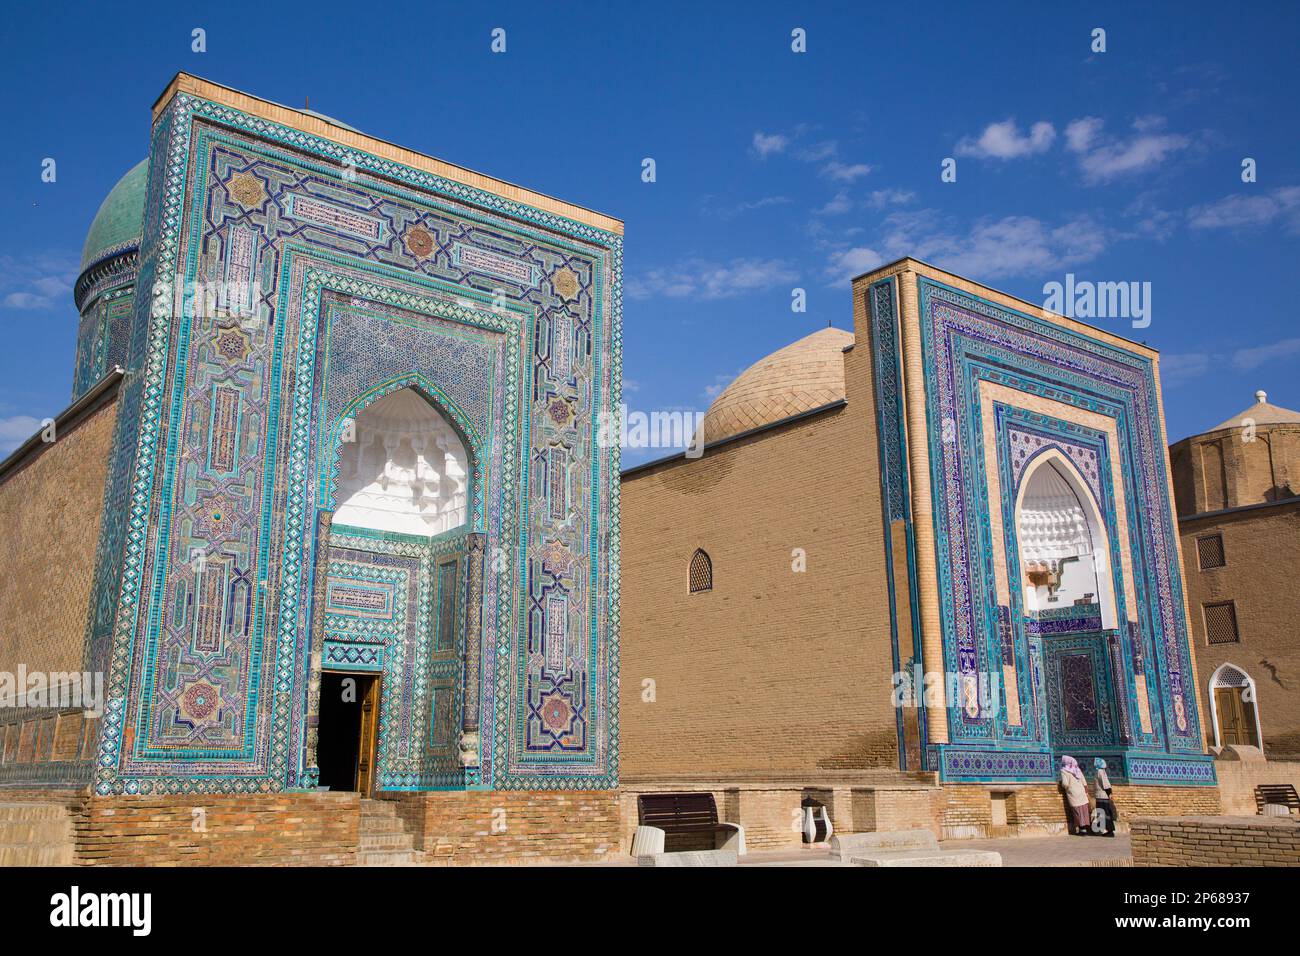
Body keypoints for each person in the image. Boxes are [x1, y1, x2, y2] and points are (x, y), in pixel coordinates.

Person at [1058, 755, 1091, 835]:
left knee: (1077, 811)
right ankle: (1085, 828)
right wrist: (1086, 791)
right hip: (1081, 792)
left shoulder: (1064, 771)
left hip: (1074, 793)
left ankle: (1082, 830)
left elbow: (1065, 784)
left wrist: (1061, 785)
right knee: (1083, 810)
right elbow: (1084, 781)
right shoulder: (1077, 769)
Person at [1093, 758, 1117, 837]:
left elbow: (1105, 784)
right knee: (1103, 813)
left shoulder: (1100, 771)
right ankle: (1106, 830)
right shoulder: (1100, 771)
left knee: (1104, 813)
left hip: (1102, 796)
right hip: (1101, 795)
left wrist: (1109, 793)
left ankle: (1110, 831)